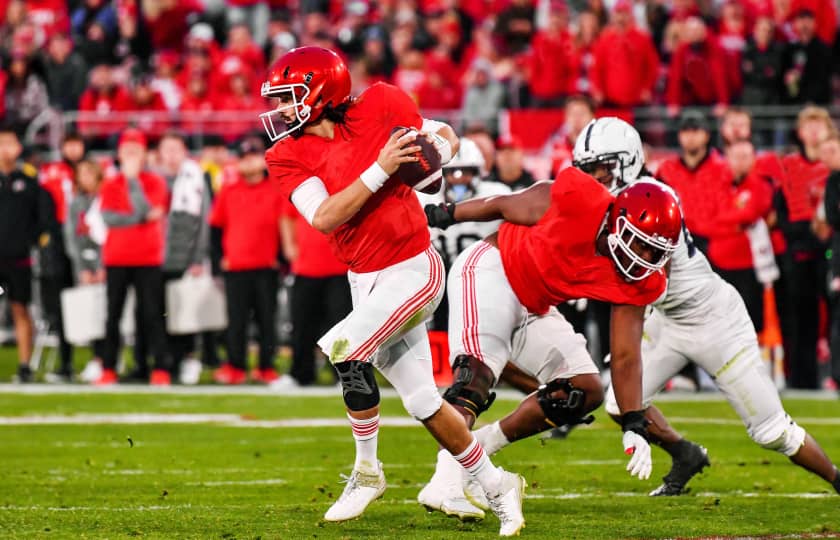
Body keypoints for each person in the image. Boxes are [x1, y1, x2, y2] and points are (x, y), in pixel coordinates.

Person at [261, 46, 525, 535]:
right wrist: (381, 168)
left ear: (320, 93)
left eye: (287, 97)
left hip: (413, 268)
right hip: (363, 279)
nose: (279, 109)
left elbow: (445, 135)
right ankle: (497, 483)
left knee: (344, 347)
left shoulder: (381, 103)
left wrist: (433, 155)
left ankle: (367, 471)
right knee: (423, 402)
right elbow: (325, 216)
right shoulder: (285, 154)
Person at [420, 117, 683, 519]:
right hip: (493, 269)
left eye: (655, 251)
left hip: (535, 302)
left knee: (583, 391)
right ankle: (445, 482)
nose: (643, 258)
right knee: (474, 378)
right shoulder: (580, 199)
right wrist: (447, 214)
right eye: (639, 243)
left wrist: (634, 423)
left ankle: (480, 449)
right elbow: (504, 205)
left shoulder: (643, 278)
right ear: (619, 223)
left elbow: (626, 354)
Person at [97, 128, 170, 386]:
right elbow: (108, 218)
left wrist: (132, 182)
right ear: (119, 153)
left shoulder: (155, 181)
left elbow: (149, 210)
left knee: (152, 314)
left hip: (148, 258)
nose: (130, 156)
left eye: (135, 151)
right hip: (116, 258)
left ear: (144, 154)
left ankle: (159, 368)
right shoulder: (110, 183)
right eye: (126, 151)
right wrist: (138, 218)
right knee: (113, 315)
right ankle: (108, 368)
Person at [209, 135, 283, 385]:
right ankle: (236, 366)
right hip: (236, 267)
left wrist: (281, 259)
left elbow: (286, 226)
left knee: (267, 320)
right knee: (236, 321)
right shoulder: (228, 190)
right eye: (243, 157)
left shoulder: (276, 188)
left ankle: (266, 367)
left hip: (267, 267)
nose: (248, 161)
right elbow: (215, 229)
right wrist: (219, 260)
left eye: (253, 156)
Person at [418, 138, 511, 331]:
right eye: (452, 173)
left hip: (483, 282)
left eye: (466, 172)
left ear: (478, 173)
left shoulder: (495, 195)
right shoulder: (425, 199)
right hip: (439, 286)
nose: (459, 179)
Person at [779, 106, 832, 389]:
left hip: (830, 249)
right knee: (800, 318)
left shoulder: (834, 166)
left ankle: (833, 375)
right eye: (808, 125)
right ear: (799, 132)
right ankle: (801, 379)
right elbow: (781, 210)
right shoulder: (787, 166)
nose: (813, 131)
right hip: (799, 251)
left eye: (818, 125)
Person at [157, 130, 211, 385]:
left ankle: (188, 359)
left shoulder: (195, 178)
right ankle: (163, 362)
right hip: (155, 257)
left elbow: (204, 221)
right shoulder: (152, 178)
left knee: (185, 313)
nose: (171, 155)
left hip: (185, 257)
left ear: (184, 152)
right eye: (166, 149)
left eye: (175, 149)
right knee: (158, 314)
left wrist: (198, 257)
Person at [0, 125, 52, 383]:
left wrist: (33, 241)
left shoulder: (29, 182)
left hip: (19, 259)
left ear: (18, 147)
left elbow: (42, 218)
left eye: (9, 143)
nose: (4, 149)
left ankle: (24, 366)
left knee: (21, 308)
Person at [64, 158, 107, 382]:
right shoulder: (76, 204)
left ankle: (108, 358)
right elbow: (71, 237)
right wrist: (82, 268)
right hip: (85, 266)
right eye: (81, 174)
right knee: (91, 314)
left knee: (109, 313)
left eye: (89, 173)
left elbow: (110, 233)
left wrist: (103, 266)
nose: (85, 178)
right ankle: (97, 357)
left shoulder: (106, 199)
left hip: (107, 264)